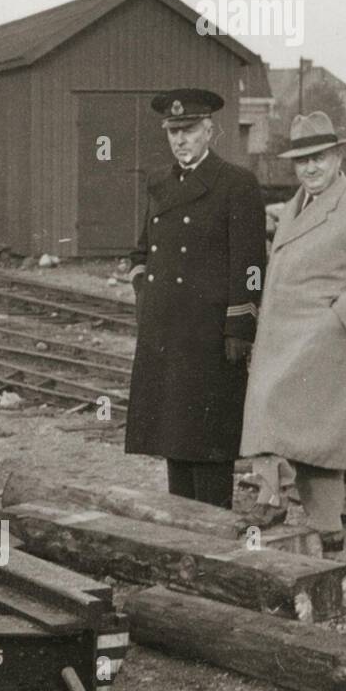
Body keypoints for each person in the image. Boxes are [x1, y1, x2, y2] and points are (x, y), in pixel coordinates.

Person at [239, 112, 346, 552]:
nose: (310, 168)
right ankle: (273, 498)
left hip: (325, 342)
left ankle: (326, 524)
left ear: (338, 158)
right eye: (302, 161)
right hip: (283, 339)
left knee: (318, 436)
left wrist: (343, 315)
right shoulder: (296, 206)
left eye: (319, 158)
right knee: (275, 415)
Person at [124, 89, 266, 509]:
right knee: (173, 436)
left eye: (188, 130)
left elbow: (251, 264)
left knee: (209, 442)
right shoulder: (159, 182)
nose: (180, 140)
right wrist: (144, 289)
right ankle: (183, 530)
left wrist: (240, 324)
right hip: (165, 331)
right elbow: (142, 250)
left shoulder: (235, 183)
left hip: (210, 336)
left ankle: (213, 531)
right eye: (173, 132)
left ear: (209, 130)